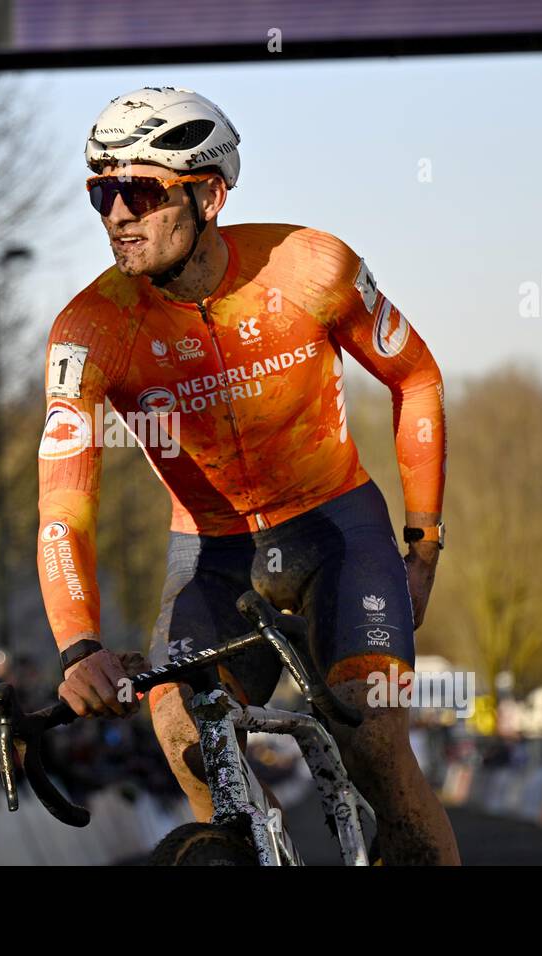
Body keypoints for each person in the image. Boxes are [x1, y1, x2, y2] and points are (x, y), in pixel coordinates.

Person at [36, 87, 458, 864]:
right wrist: (78, 646)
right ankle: (259, 847)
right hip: (214, 550)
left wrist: (423, 548)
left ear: (210, 194)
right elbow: (65, 504)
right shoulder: (91, 328)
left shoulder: (311, 265)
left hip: (338, 528)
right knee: (185, 734)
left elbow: (418, 378)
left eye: (140, 190)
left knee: (373, 742)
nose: (117, 214)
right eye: (102, 192)